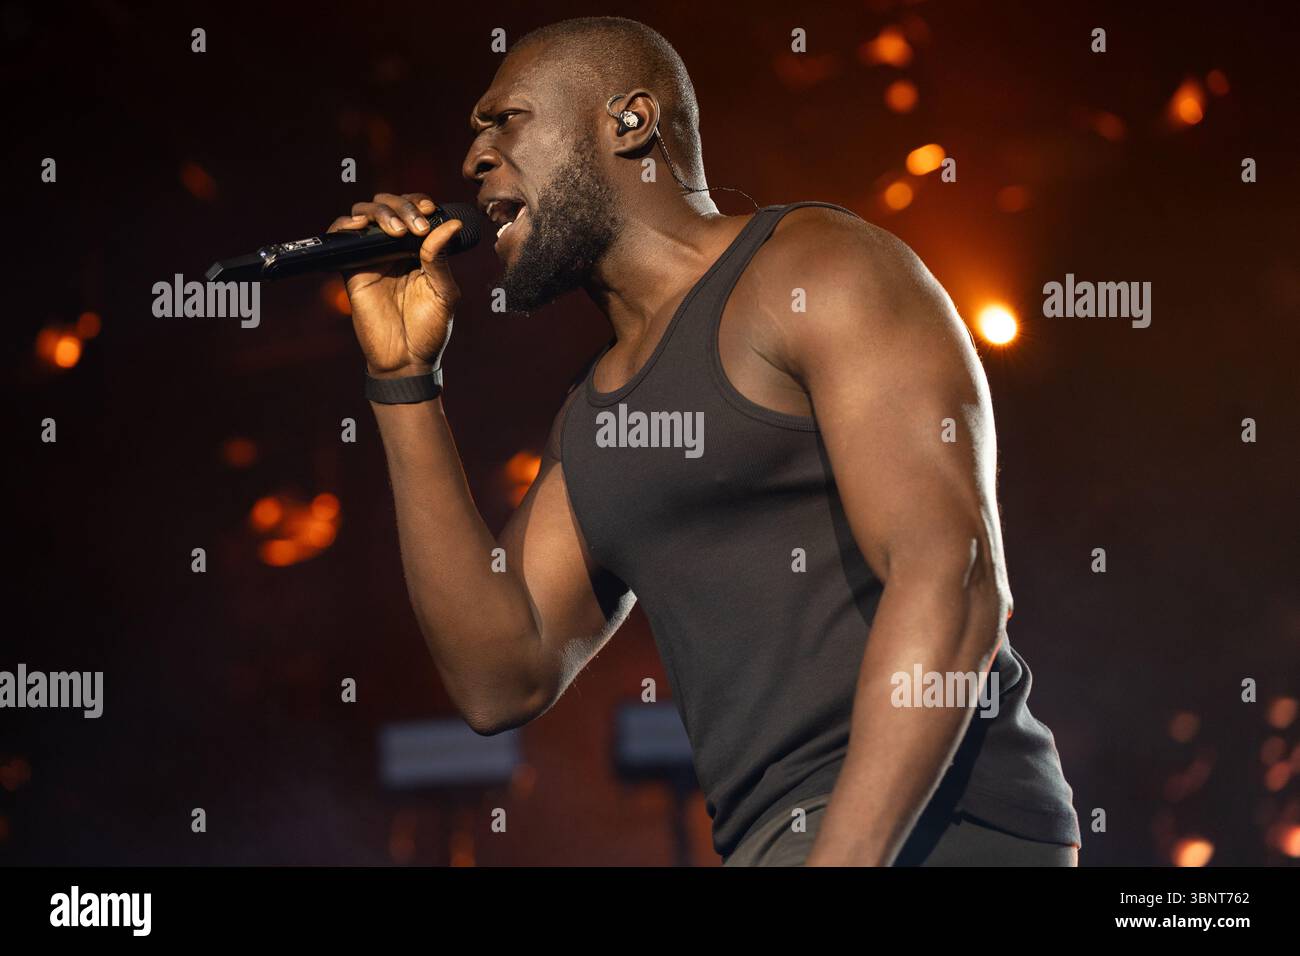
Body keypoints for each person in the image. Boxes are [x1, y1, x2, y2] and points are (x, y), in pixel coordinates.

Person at [327, 16, 1081, 865]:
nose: (473, 159)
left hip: (942, 829)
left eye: (504, 120)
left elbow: (955, 576)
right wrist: (402, 382)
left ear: (630, 121)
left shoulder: (814, 268)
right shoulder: (595, 417)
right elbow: (499, 675)